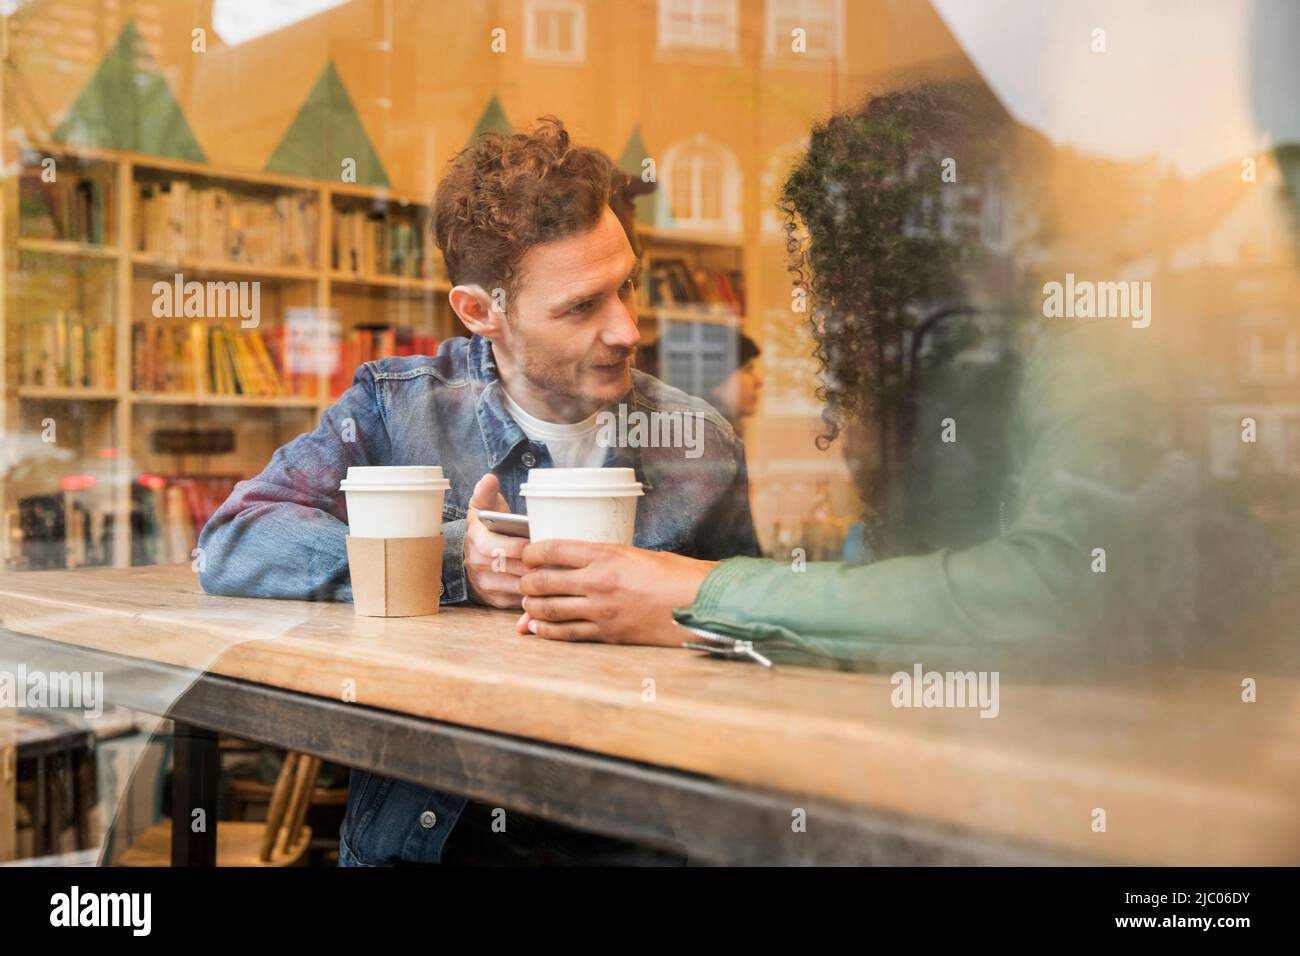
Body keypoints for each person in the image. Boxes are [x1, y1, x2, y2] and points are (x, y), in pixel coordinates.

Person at [197, 116, 757, 865]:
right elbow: (230, 541)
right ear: (479, 311)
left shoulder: (698, 442)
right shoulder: (397, 410)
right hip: (424, 844)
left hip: (633, 838)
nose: (627, 329)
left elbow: (757, 640)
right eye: (581, 306)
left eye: (626, 286)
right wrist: (448, 558)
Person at [514, 83, 1204, 673]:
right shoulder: (975, 373)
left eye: (849, 276)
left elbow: (1057, 590)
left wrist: (705, 596)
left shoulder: (1090, 345)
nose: (828, 307)